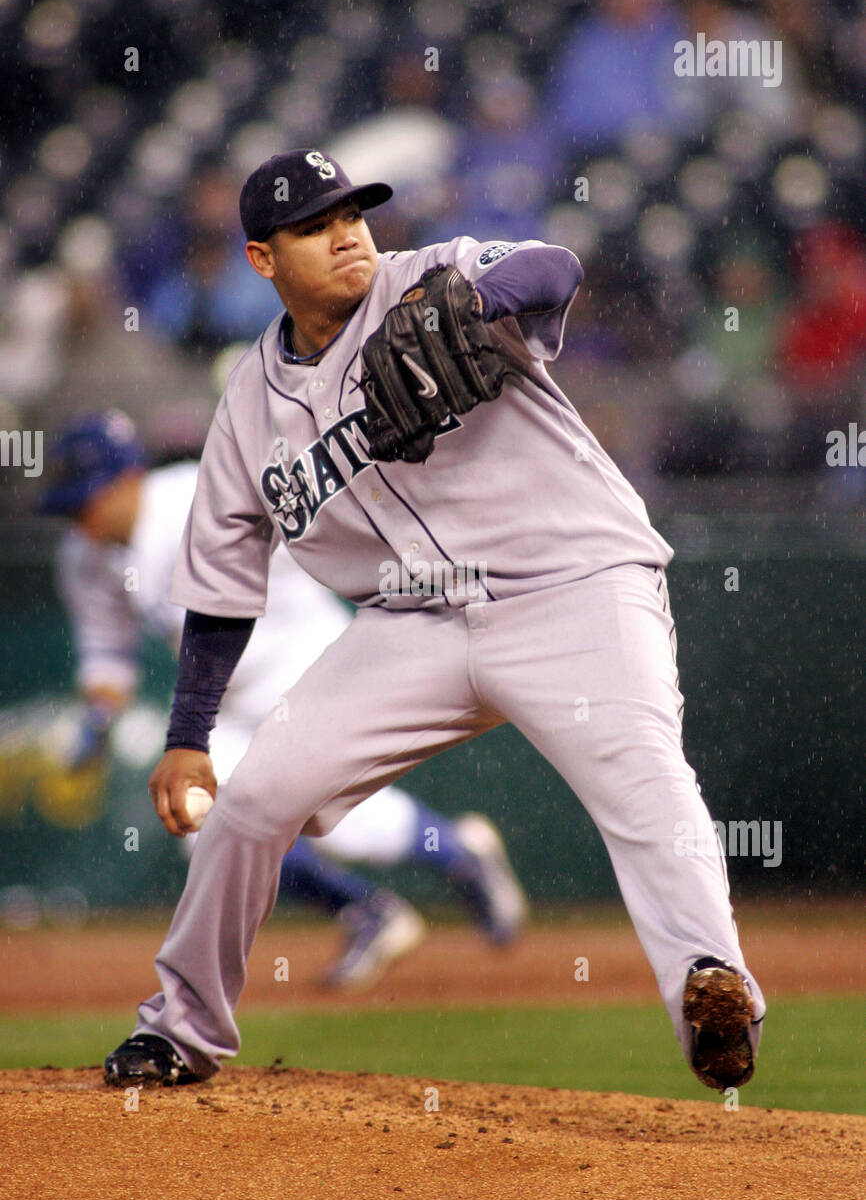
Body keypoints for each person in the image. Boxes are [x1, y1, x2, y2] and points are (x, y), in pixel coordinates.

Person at [103, 147, 765, 1092]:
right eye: (316, 226)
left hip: (572, 585)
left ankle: (713, 986)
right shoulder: (249, 408)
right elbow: (219, 582)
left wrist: (481, 304)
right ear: (262, 260)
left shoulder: (429, 278)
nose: (347, 234)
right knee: (248, 804)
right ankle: (181, 1029)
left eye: (354, 213)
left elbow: (552, 270)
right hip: (410, 626)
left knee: (647, 780)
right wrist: (186, 736)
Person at [40, 410, 528, 988]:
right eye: (71, 507)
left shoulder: (197, 496)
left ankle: (455, 852)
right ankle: (370, 911)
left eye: (86, 501)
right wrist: (99, 717)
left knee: (328, 819)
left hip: (306, 664)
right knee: (207, 827)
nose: (80, 519)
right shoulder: (84, 557)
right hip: (223, 702)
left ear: (126, 479)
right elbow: (108, 652)